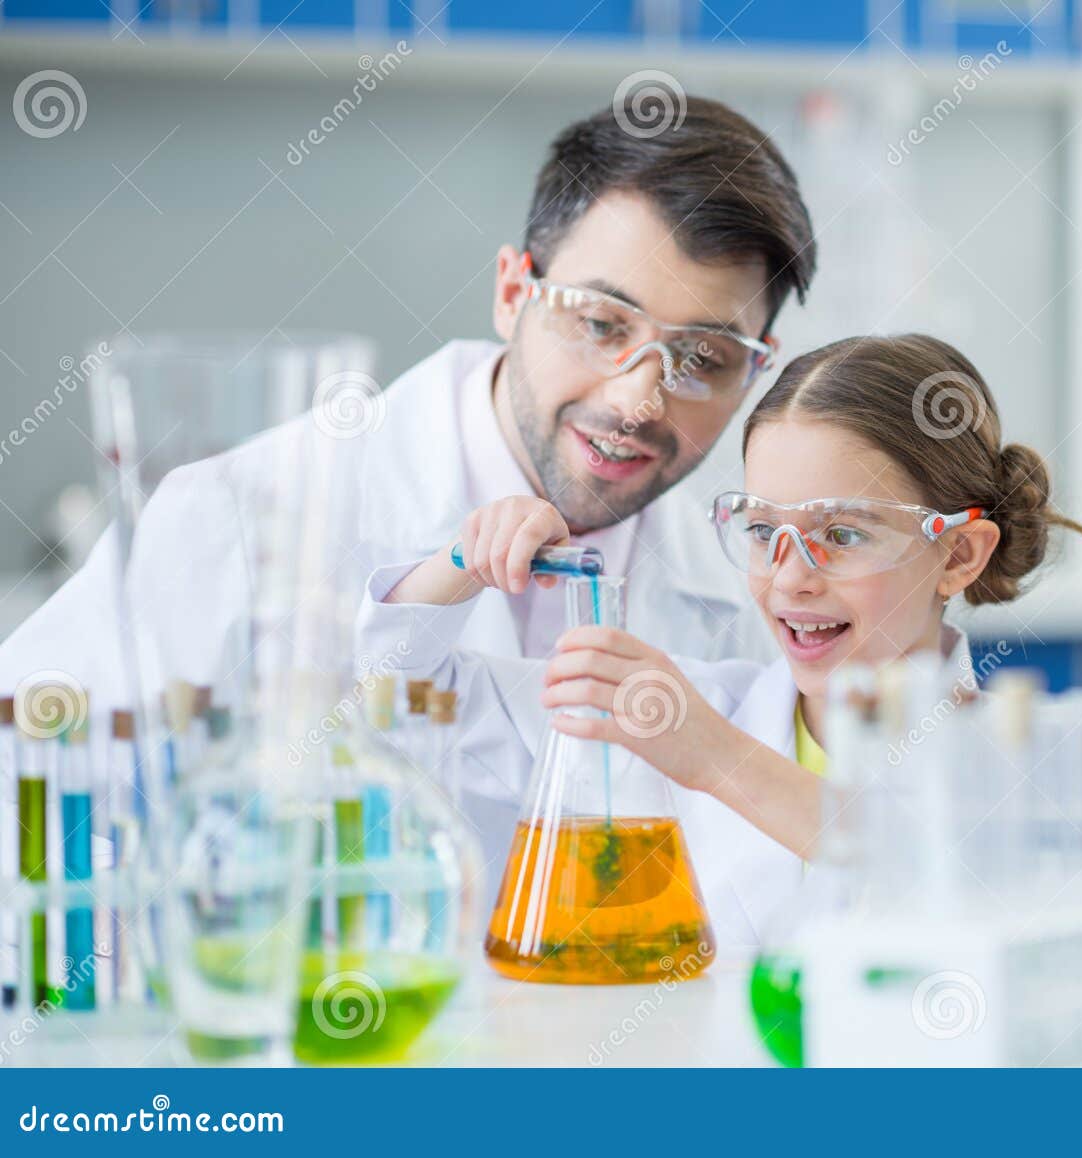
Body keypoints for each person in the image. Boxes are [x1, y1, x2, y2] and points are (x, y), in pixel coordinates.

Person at [0, 96, 817, 819]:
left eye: (704, 359)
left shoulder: (760, 599)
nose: (640, 400)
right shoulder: (240, 512)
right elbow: (24, 782)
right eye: (603, 325)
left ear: (756, 367)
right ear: (511, 292)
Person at [357, 334, 1082, 947]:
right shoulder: (689, 709)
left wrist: (715, 755)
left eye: (841, 533)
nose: (790, 579)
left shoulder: (1031, 760)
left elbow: (953, 882)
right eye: (761, 531)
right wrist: (459, 564)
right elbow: (400, 701)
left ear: (959, 555)